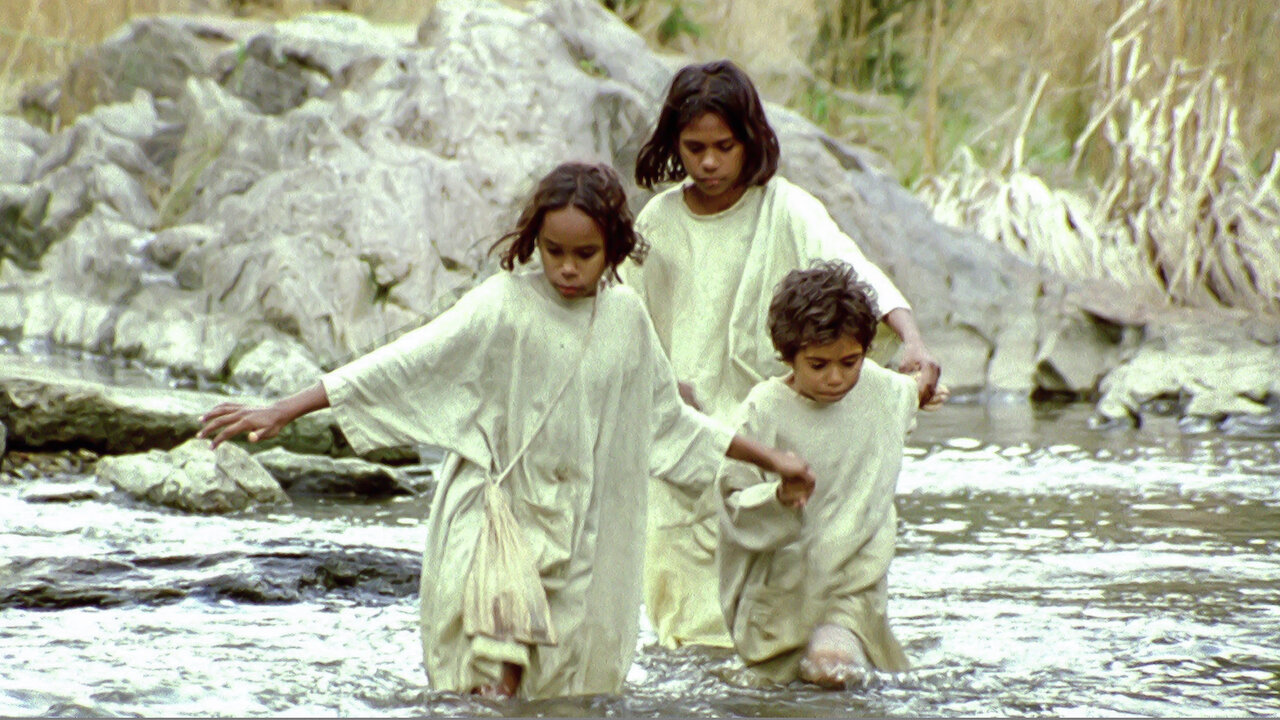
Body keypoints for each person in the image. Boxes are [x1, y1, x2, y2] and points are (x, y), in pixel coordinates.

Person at [196, 162, 816, 700]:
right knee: (492, 685)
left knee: (560, 691)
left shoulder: (626, 320)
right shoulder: (503, 305)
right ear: (534, 240)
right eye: (553, 250)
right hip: (495, 521)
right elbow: (405, 365)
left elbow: (671, 424)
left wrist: (771, 460)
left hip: (577, 535)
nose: (566, 268)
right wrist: (284, 409)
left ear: (613, 248)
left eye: (584, 254)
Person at [621, 59, 942, 649]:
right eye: (695, 148)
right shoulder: (657, 224)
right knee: (691, 640)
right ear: (674, 145)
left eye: (724, 146)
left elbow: (851, 267)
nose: (709, 162)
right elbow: (627, 323)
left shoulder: (786, 208)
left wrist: (911, 338)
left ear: (750, 141)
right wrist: (662, 382)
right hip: (688, 451)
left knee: (776, 636)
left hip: (771, 452)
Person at [718, 260, 941, 687]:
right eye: (818, 365)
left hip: (854, 584)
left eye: (850, 362)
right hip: (784, 589)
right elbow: (731, 501)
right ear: (788, 355)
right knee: (781, 693)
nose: (836, 378)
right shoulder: (764, 409)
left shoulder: (880, 390)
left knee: (833, 666)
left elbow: (910, 393)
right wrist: (778, 498)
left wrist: (925, 387)